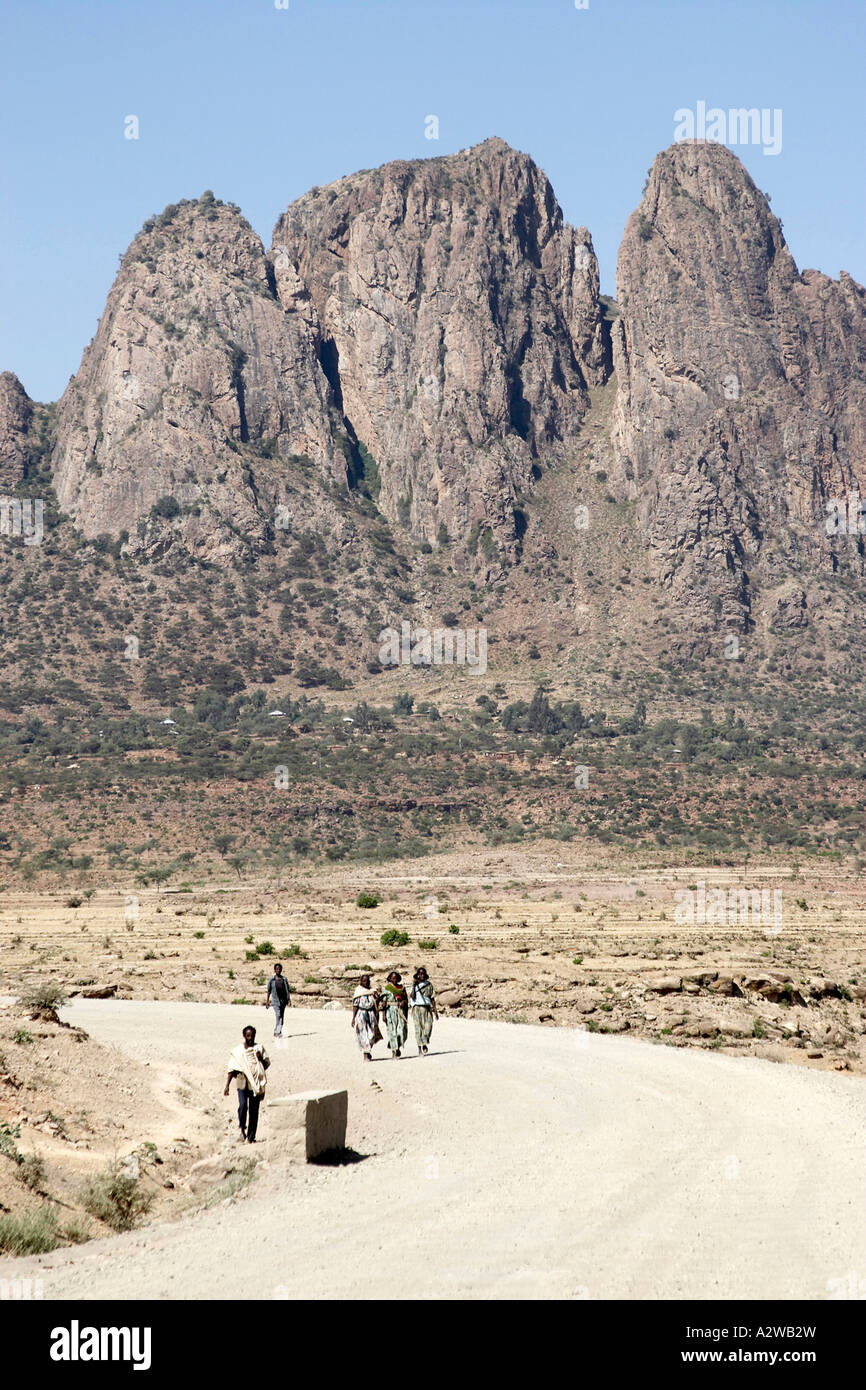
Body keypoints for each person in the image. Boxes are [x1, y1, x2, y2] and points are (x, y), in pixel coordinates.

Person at [224, 1024, 270, 1143]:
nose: (250, 1038)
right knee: (243, 1105)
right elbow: (231, 1069)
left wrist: (260, 1059)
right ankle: (242, 1128)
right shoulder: (238, 1051)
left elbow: (265, 1066)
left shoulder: (259, 1048)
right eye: (248, 1036)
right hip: (242, 1080)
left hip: (255, 1083)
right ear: (244, 1036)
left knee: (254, 1110)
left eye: (252, 1035)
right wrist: (227, 1086)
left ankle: (251, 1137)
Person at [409, 966, 438, 1055]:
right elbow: (412, 996)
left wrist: (435, 1011)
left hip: (427, 1008)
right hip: (417, 1008)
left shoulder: (429, 985)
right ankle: (419, 1048)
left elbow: (432, 998)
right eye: (420, 974)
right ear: (417, 975)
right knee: (418, 1028)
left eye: (423, 974)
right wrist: (414, 986)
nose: (421, 975)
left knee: (428, 1027)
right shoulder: (414, 985)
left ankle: (424, 1041)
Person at [380, 971, 409, 1059]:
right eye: (393, 978)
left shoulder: (402, 988)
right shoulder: (387, 988)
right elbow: (384, 1003)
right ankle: (394, 1050)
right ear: (390, 979)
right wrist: (384, 1015)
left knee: (402, 1031)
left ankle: (398, 1046)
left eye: (396, 978)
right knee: (392, 1032)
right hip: (390, 1011)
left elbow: (405, 999)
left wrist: (403, 1002)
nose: (394, 980)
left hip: (400, 1011)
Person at [351, 974, 380, 1061]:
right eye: (364, 980)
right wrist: (353, 1018)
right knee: (363, 1035)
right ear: (361, 981)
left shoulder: (372, 991)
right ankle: (365, 1054)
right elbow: (355, 1005)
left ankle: (368, 1051)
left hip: (371, 1014)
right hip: (361, 1014)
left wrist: (378, 997)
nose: (366, 982)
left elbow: (376, 1004)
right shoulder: (358, 992)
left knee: (371, 1035)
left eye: (367, 980)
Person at [265, 962, 292, 1037]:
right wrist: (267, 1001)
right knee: (278, 1015)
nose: (278, 970)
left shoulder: (284, 979)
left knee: (281, 1016)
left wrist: (289, 1000)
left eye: (279, 969)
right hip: (275, 1001)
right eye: (276, 969)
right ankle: (277, 1031)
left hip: (283, 1001)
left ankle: (278, 1030)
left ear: (281, 970)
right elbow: (269, 991)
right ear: (274, 970)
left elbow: (287, 990)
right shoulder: (272, 980)